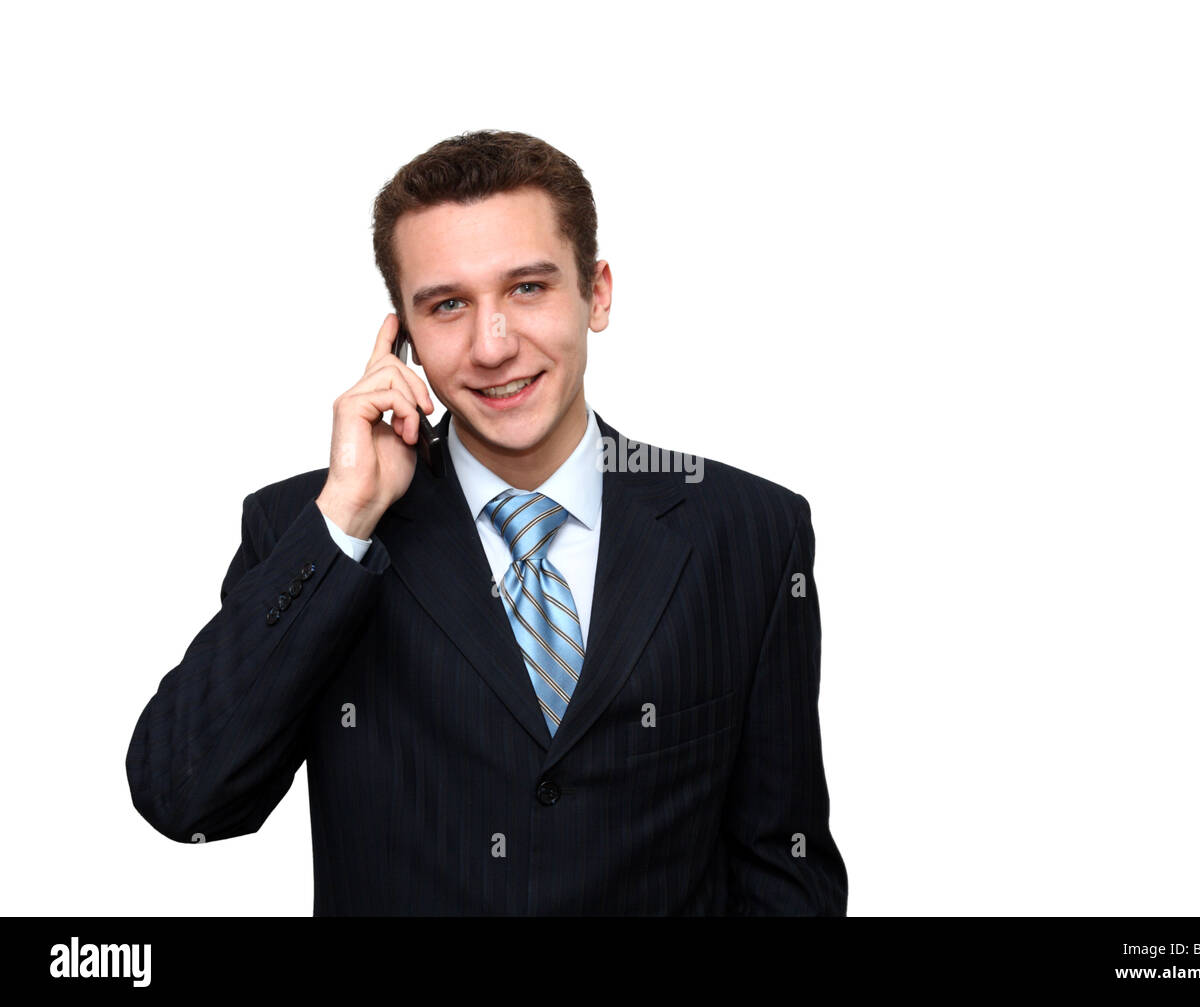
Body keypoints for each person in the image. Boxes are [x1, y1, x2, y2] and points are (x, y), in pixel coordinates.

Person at [125, 129, 848, 915]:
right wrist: (347, 516)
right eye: (447, 305)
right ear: (400, 335)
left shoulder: (749, 532)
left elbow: (786, 865)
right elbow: (183, 796)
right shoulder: (313, 530)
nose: (492, 345)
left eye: (529, 288)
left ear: (596, 292)